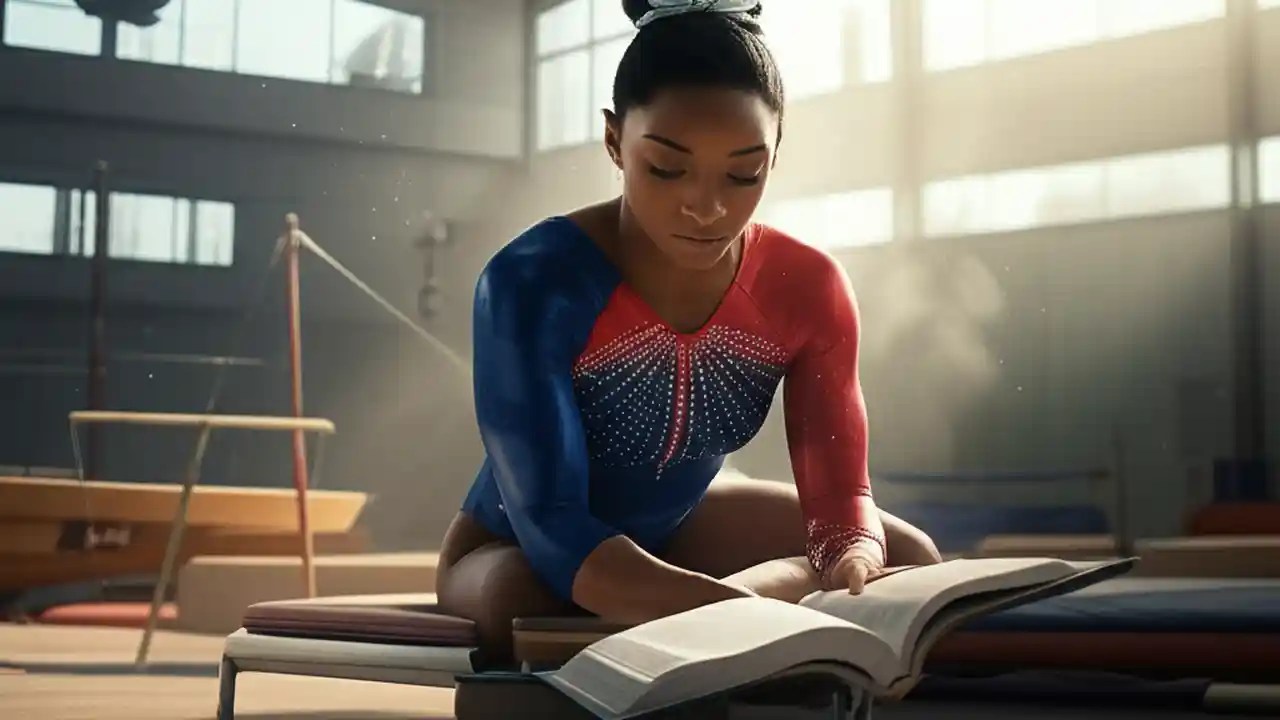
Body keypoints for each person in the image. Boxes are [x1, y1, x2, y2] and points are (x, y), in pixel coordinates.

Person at [436, 0, 941, 660]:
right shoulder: (532, 283)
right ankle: (750, 604)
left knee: (910, 556)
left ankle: (714, 606)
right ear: (615, 141)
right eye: (667, 168)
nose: (707, 207)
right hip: (519, 545)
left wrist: (849, 557)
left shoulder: (808, 289)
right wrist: (738, 610)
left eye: (743, 174)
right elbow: (555, 527)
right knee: (522, 606)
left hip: (684, 526)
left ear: (775, 154)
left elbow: (842, 504)